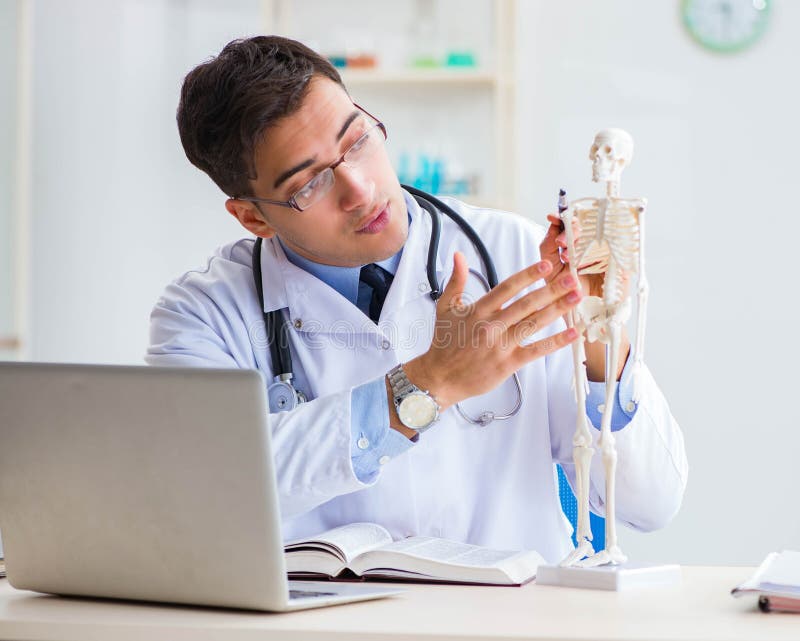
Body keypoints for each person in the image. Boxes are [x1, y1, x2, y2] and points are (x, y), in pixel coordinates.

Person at [147, 35, 687, 563]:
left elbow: (652, 502)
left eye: (357, 140)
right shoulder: (203, 316)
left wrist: (599, 332)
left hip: (514, 621)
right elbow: (206, 492)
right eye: (308, 184)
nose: (358, 188)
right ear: (253, 216)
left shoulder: (518, 255)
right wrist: (429, 382)